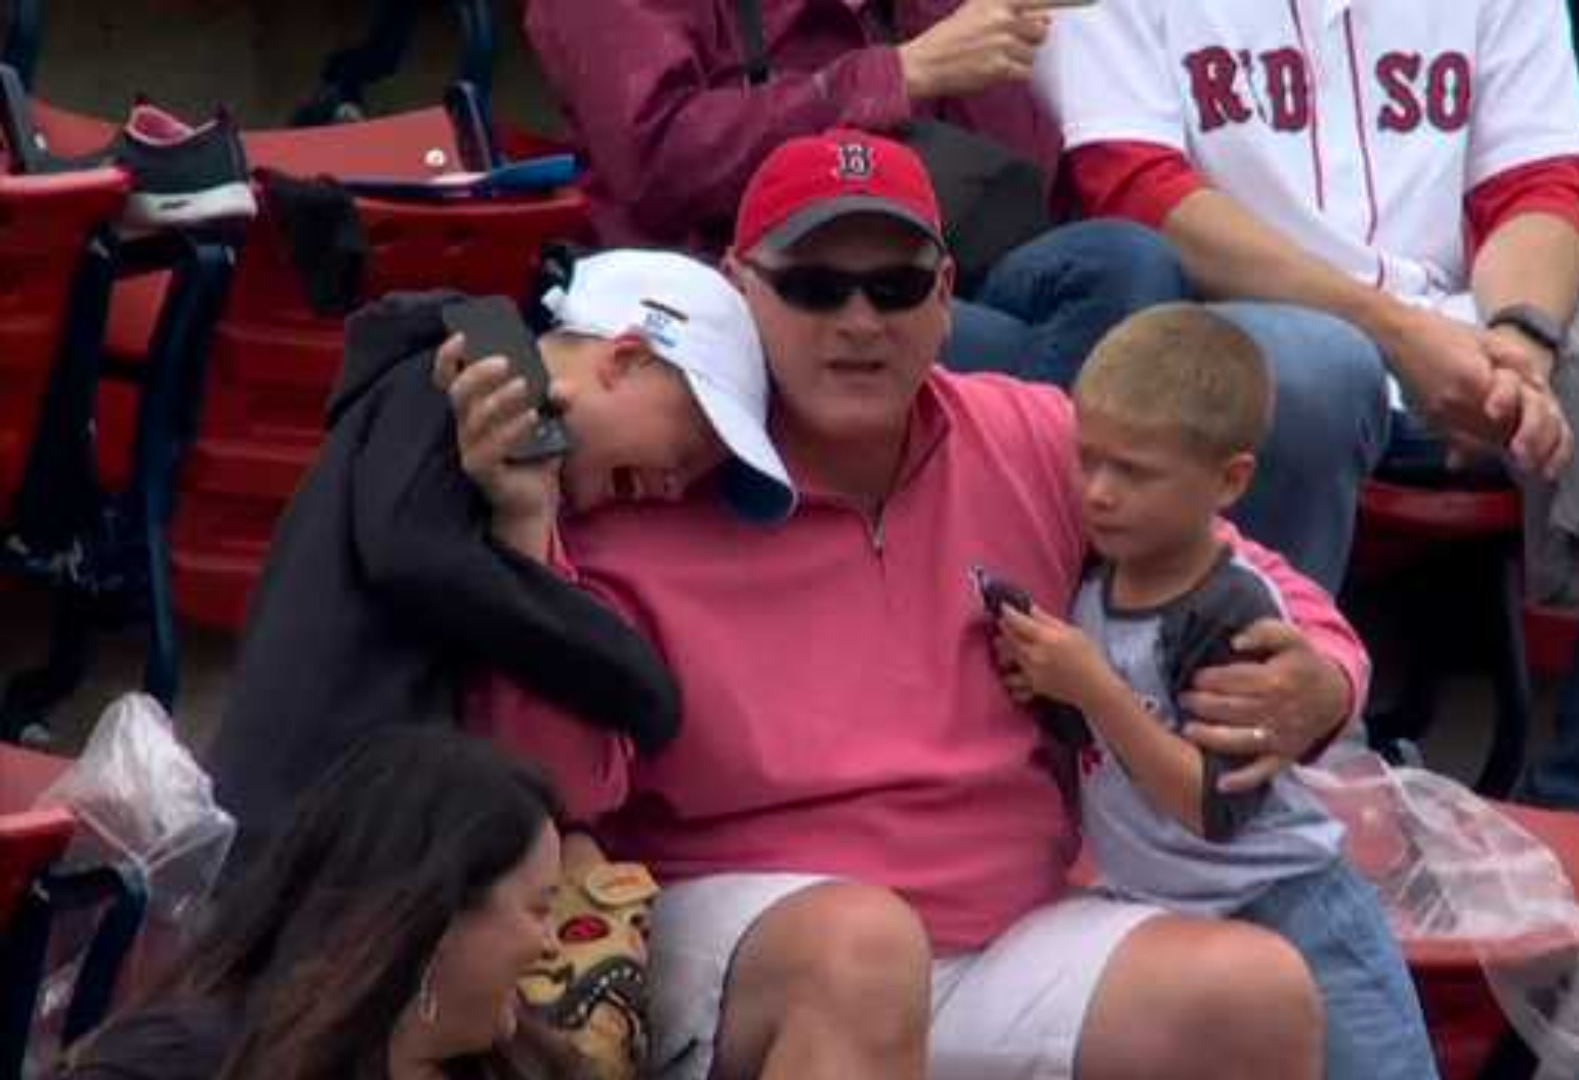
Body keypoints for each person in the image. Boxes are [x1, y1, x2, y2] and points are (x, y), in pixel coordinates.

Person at [453, 131, 1359, 1080]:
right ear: (740, 288)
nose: (859, 321)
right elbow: (547, 789)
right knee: (863, 949)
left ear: (945, 295)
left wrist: (1325, 679)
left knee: (1254, 996)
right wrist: (526, 534)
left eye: (895, 286)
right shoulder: (653, 469)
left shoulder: (1029, 434)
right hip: (743, 934)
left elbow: (1242, 563)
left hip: (1002, 931)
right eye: (814, 287)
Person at [1032, 0, 1579, 809]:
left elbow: (1538, 186)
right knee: (1317, 369)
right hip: (1237, 317)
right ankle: (1271, 782)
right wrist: (1393, 330)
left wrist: (1521, 345)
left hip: (1465, 317)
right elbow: (1137, 189)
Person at [209, 251, 795, 865]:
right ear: (625, 361)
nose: (675, 487)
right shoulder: (469, 371)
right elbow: (414, 556)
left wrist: (530, 526)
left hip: (348, 817)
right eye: (689, 449)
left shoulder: (523, 457)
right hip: (310, 817)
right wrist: (632, 678)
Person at [995, 303, 1437, 1080]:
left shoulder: (1229, 609)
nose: (1098, 492)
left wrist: (1092, 689)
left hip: (1288, 901)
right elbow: (1098, 747)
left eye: (1134, 472)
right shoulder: (1096, 584)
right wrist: (1043, 687)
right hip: (1163, 915)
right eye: (1087, 460)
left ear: (1230, 480)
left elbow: (1211, 809)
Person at [520, 0, 1191, 384]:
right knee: (1001, 347)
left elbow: (1025, 174)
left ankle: (1066, 536)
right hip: (746, 272)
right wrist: (897, 74)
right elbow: (659, 160)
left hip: (940, 254)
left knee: (1130, 263)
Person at [62, 727, 581, 1080]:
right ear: (439, 918)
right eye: (539, 909)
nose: (551, 944)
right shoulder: (181, 1061)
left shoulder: (525, 1064)